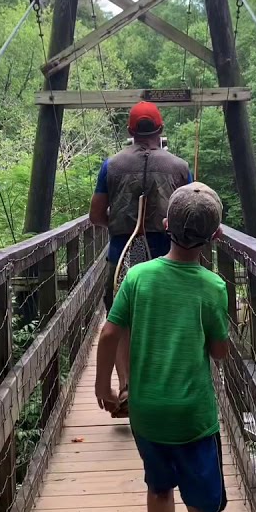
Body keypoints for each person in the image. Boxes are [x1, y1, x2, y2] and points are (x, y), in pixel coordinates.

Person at [95, 182, 230, 512]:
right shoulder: (214, 287)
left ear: (166, 226)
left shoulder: (138, 276)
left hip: (147, 413)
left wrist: (103, 386)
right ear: (215, 236)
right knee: (202, 504)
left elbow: (110, 333)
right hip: (193, 418)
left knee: (158, 488)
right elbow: (219, 352)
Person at [89, 100, 192, 411]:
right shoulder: (179, 167)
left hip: (122, 254)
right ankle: (169, 387)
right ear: (160, 130)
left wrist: (118, 225)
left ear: (130, 132)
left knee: (121, 321)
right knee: (170, 320)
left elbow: (95, 215)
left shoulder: (112, 165)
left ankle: (127, 389)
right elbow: (190, 212)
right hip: (168, 256)